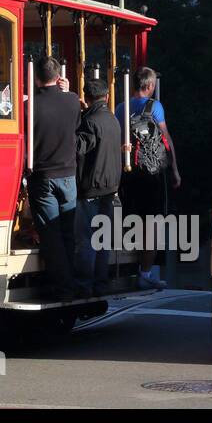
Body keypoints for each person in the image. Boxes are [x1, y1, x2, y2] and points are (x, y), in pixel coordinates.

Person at [117, 66, 182, 290]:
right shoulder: (156, 107)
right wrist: (174, 169)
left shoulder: (120, 107)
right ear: (151, 86)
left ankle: (125, 263)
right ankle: (145, 272)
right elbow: (166, 139)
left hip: (128, 172)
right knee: (153, 224)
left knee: (130, 219)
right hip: (153, 173)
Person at [27, 57, 84, 301]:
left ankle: (64, 287)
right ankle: (70, 279)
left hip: (43, 175)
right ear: (58, 76)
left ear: (36, 78)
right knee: (67, 232)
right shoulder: (72, 100)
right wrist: (69, 90)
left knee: (51, 234)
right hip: (68, 175)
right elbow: (78, 122)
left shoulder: (31, 106)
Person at [75, 77, 123, 297]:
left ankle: (84, 286)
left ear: (87, 97)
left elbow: (79, 149)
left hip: (91, 189)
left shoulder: (90, 121)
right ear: (107, 96)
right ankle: (100, 284)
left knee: (86, 241)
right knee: (102, 241)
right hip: (110, 188)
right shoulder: (113, 120)